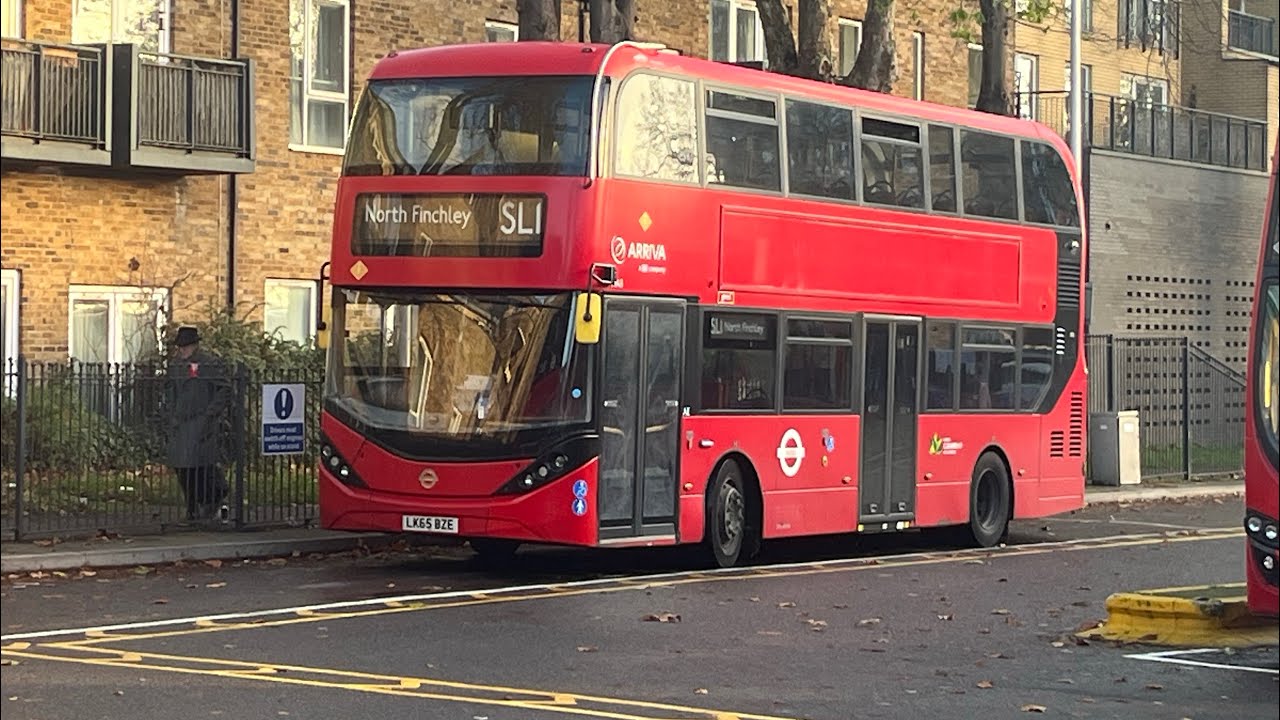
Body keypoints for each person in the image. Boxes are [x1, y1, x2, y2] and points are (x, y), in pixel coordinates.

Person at [165, 326, 231, 523]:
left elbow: (224, 389)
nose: (182, 350)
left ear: (194, 345)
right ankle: (194, 506)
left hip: (200, 420)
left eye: (185, 346)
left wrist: (210, 413)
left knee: (200, 465)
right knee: (182, 466)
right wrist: (170, 413)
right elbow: (170, 390)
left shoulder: (208, 363)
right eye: (180, 347)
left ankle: (211, 499)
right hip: (181, 422)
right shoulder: (176, 366)